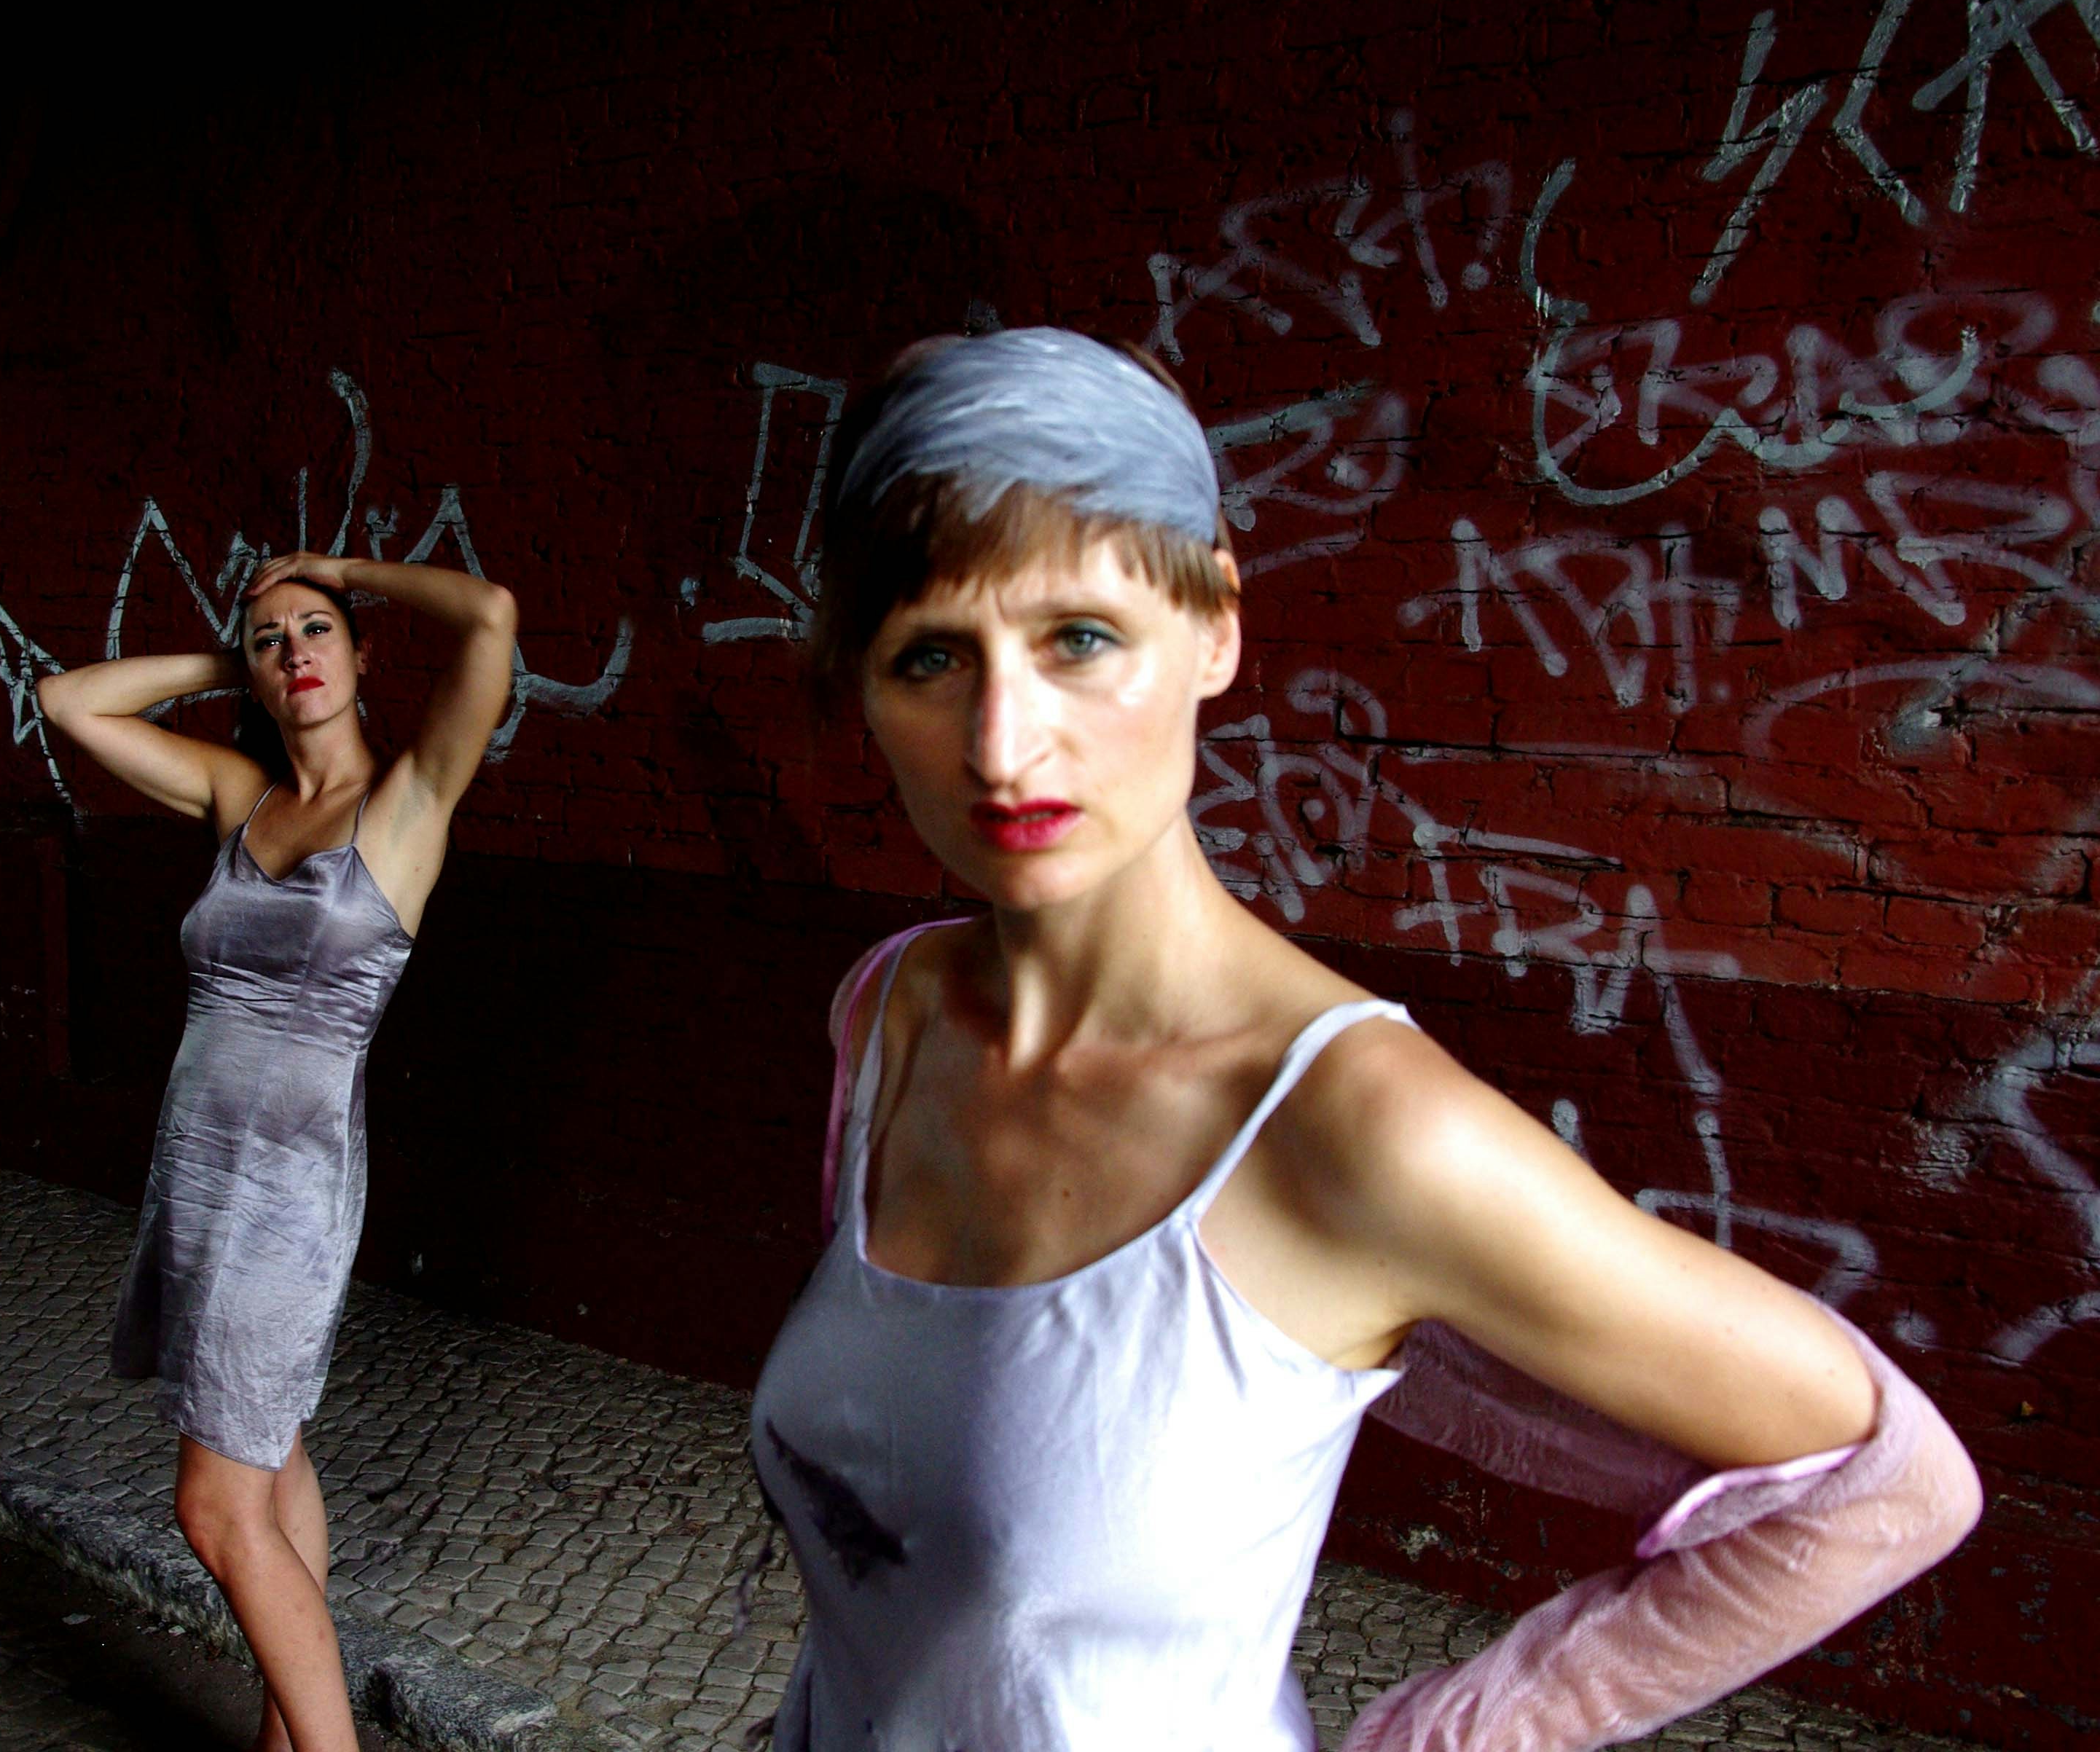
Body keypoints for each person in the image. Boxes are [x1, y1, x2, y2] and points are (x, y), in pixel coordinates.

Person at [748, 328, 1980, 1752]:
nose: (1003, 745)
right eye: (929, 659)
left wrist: (1445, 1737)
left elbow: (1884, 1489)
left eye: (1078, 640)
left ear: (1213, 621)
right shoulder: (891, 1009)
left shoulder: (1359, 1130)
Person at [37, 551, 517, 1752]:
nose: (297, 649)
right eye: (272, 640)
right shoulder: (237, 794)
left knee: (214, 1507)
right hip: (195, 1175)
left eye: (319, 631)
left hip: (290, 1196)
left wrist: (342, 570)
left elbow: (492, 615)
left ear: (360, 657)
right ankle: (281, 1733)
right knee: (272, 1455)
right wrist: (230, 662)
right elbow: (66, 702)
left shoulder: (405, 802)